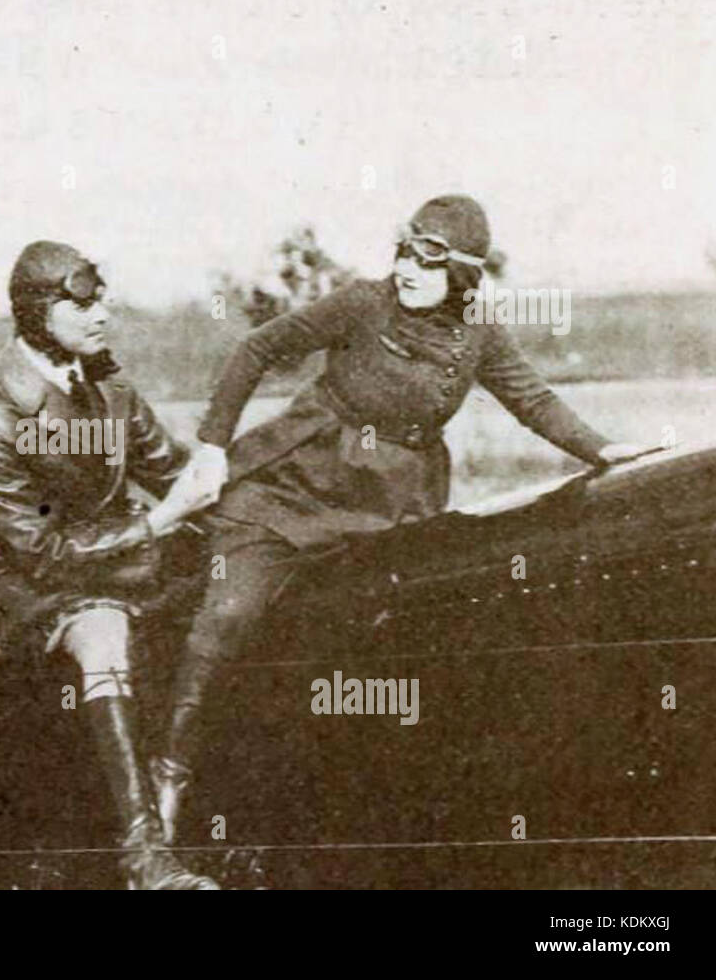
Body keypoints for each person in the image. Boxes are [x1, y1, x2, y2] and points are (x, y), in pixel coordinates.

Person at [151, 194, 650, 843]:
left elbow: (533, 398)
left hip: (391, 507)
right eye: (404, 251)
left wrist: (603, 449)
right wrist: (212, 447)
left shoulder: (477, 333)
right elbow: (257, 348)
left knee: (397, 627)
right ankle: (167, 778)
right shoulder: (363, 301)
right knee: (228, 616)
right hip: (294, 487)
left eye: (427, 259)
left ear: (464, 275)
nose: (407, 269)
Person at [0, 240, 220, 889]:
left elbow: (171, 470)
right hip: (22, 578)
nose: (103, 312)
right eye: (84, 301)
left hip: (112, 545)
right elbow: (41, 555)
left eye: (102, 296)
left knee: (235, 565)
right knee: (103, 633)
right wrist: (160, 520)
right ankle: (143, 853)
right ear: (40, 311)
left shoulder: (106, 383)